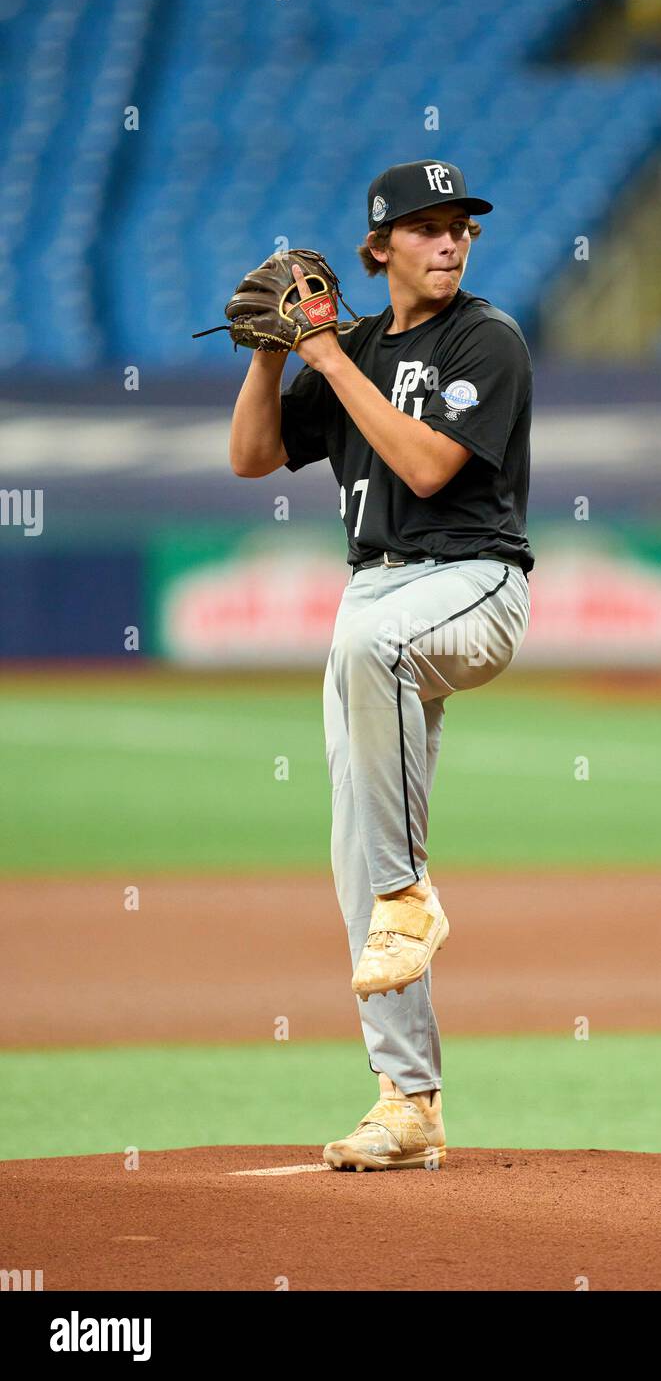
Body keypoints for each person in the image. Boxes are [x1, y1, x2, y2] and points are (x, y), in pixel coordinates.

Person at [229, 158, 534, 1171]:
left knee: (371, 648)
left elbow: (426, 466)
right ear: (379, 247)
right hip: (372, 590)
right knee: (354, 855)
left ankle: (409, 895)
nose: (448, 241)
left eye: (460, 228)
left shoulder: (484, 337)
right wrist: (275, 356)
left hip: (472, 581)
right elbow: (250, 456)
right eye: (426, 226)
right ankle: (406, 1101)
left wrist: (330, 357)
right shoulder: (349, 346)